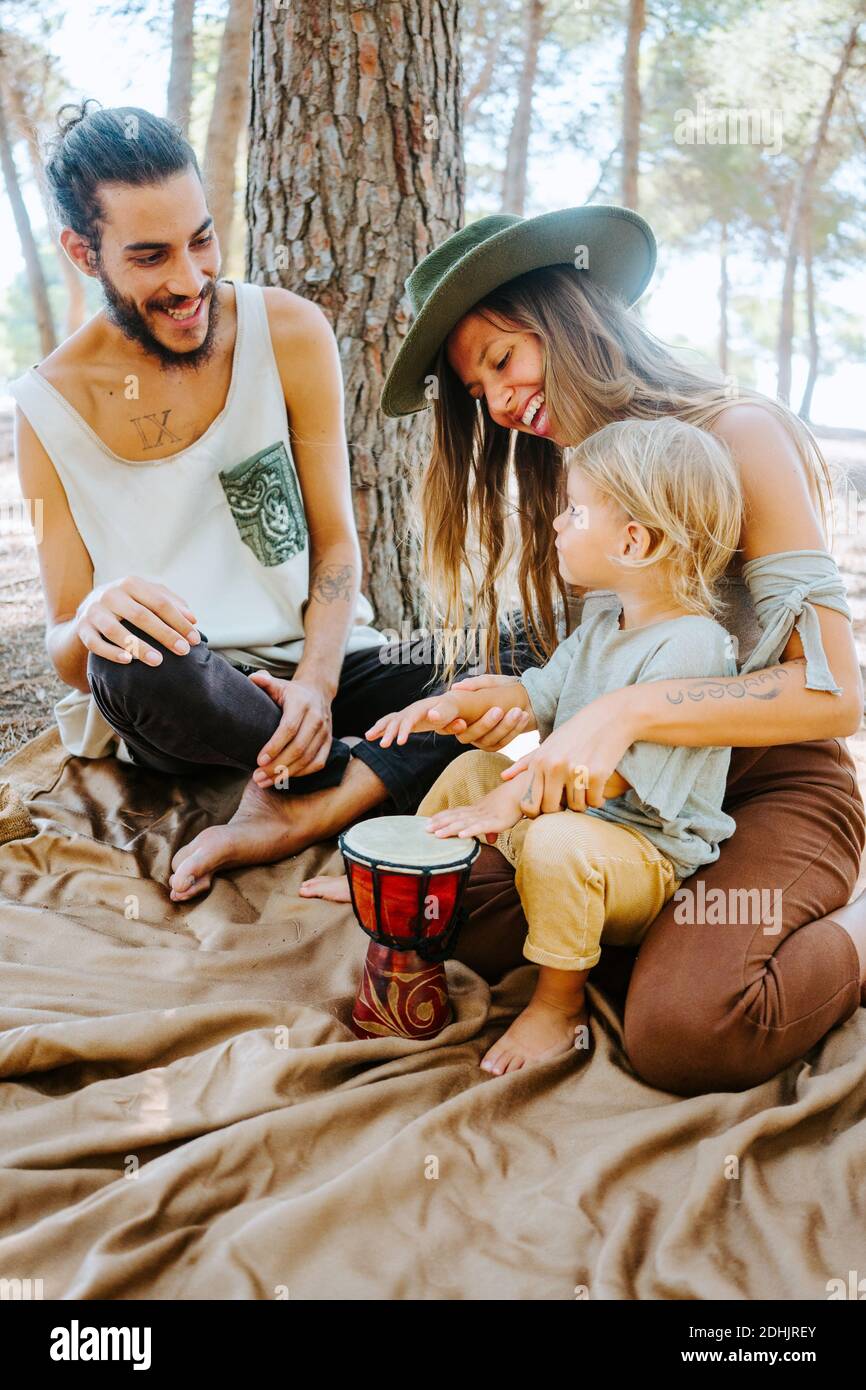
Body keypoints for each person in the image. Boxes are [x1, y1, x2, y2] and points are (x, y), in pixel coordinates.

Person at [305, 204, 866, 1096]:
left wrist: (627, 711)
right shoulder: (576, 483)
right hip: (628, 806)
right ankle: (657, 929)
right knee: (449, 911)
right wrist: (520, 700)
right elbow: (586, 675)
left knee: (689, 1033)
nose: (499, 404)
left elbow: (835, 695)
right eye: (479, 391)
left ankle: (841, 929)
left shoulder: (738, 435)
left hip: (769, 785)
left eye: (502, 360)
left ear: (569, 316)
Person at [9, 101, 524, 904]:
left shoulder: (287, 329)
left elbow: (336, 547)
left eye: (201, 239)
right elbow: (69, 647)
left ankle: (313, 788)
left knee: (522, 648)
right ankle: (356, 768)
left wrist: (316, 686)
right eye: (149, 257)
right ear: (84, 252)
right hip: (193, 696)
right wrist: (98, 613)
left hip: (330, 668)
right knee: (129, 656)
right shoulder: (45, 407)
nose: (189, 281)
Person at [311, 416, 750, 1074]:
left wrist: (513, 803)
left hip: (638, 858)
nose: (555, 524)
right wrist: (452, 705)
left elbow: (614, 780)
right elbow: (537, 696)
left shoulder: (692, 645)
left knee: (553, 841)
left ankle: (556, 1003)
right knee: (474, 767)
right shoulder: (608, 620)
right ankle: (399, 877)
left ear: (633, 540)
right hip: (575, 824)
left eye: (575, 512)